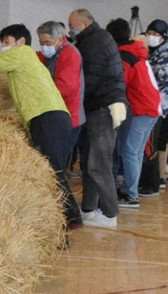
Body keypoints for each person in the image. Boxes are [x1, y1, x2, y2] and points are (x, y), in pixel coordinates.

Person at [0, 24, 79, 230]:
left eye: (6, 42)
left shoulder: (22, 53)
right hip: (49, 117)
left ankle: (63, 221)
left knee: (51, 171)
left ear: (21, 42)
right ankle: (71, 215)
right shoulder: (25, 61)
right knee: (52, 170)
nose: (3, 47)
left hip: (48, 117)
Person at [69, 9, 128, 229]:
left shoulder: (96, 41)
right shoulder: (93, 39)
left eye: (72, 24)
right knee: (89, 161)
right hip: (97, 108)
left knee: (98, 163)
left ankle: (110, 213)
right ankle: (88, 208)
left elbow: (89, 81)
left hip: (102, 107)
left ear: (84, 23)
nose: (70, 28)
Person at [106, 18, 158, 210]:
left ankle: (131, 195)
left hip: (141, 109)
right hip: (151, 107)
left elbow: (121, 84)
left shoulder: (124, 57)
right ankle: (131, 189)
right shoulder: (136, 52)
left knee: (130, 152)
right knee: (134, 152)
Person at [37, 21, 85, 225]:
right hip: (59, 116)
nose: (43, 46)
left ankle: (70, 214)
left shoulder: (69, 54)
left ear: (59, 39)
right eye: (41, 42)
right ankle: (67, 213)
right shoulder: (54, 53)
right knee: (55, 167)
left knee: (56, 169)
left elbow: (65, 87)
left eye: (47, 42)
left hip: (68, 118)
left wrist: (36, 91)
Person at [146, 20, 168, 192]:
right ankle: (158, 177)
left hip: (162, 106)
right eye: (150, 33)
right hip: (156, 104)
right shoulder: (152, 52)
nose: (151, 37)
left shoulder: (165, 54)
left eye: (156, 34)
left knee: (158, 143)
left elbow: (159, 77)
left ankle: (157, 178)